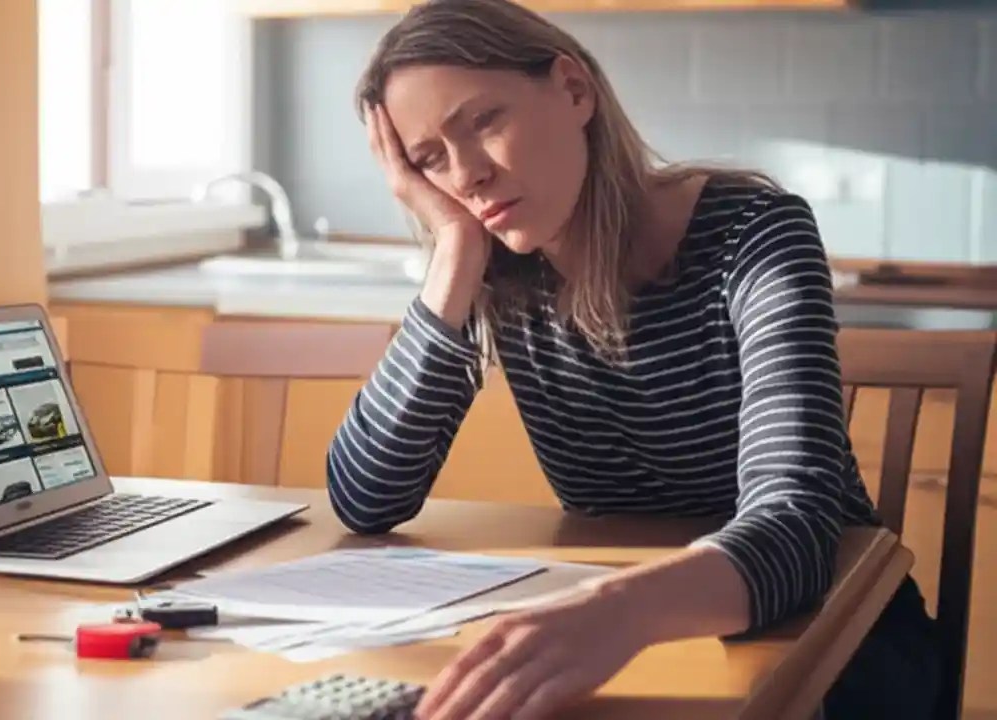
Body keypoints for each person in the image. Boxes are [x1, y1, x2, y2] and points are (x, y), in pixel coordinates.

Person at [324, 1, 941, 718]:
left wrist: (616, 610)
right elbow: (367, 500)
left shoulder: (756, 235)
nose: (467, 175)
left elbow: (798, 528)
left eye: (484, 121)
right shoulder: (501, 271)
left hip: (835, 642)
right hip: (642, 636)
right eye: (430, 159)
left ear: (573, 90)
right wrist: (454, 249)